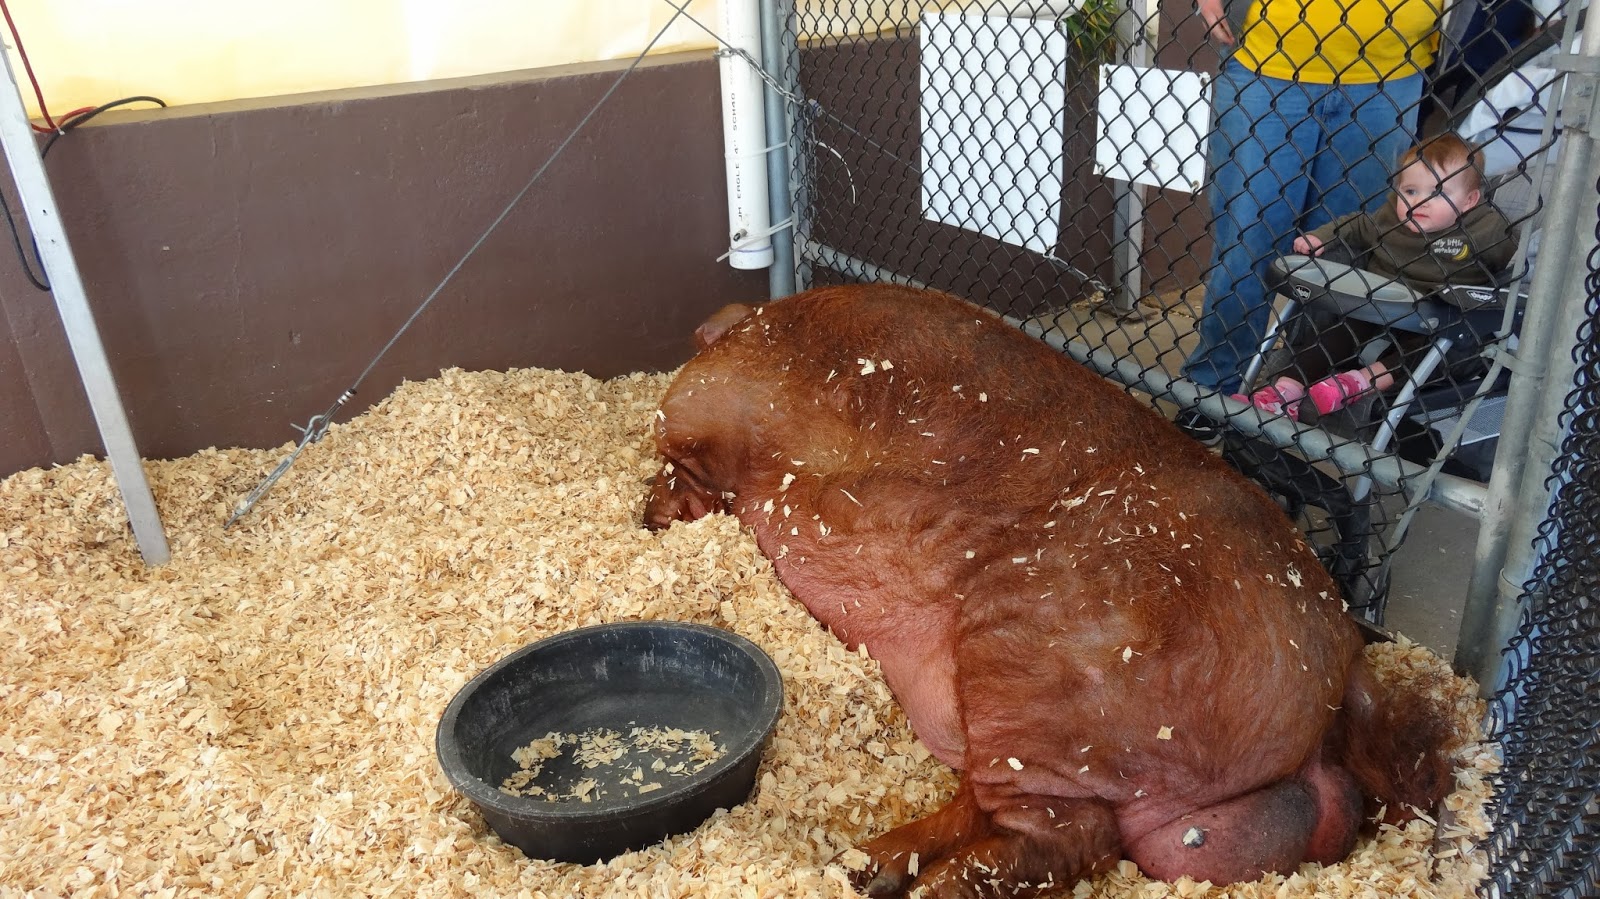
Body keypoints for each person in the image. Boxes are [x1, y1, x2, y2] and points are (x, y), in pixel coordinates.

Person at [1177, 0, 1449, 444]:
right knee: (1248, 247)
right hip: (1269, 59)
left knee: (1344, 257)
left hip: (1391, 66)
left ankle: (1291, 388)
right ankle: (1212, 389)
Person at [1237, 133, 1520, 420]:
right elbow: (1357, 224)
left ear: (1469, 201)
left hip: (1439, 313)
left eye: (1438, 193)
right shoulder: (1389, 218)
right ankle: (1284, 391)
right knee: (1337, 332)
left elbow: (1510, 264)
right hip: (1380, 300)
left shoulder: (1487, 230)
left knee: (1430, 351)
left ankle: (1358, 383)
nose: (1419, 202)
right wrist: (1319, 238)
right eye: (1410, 191)